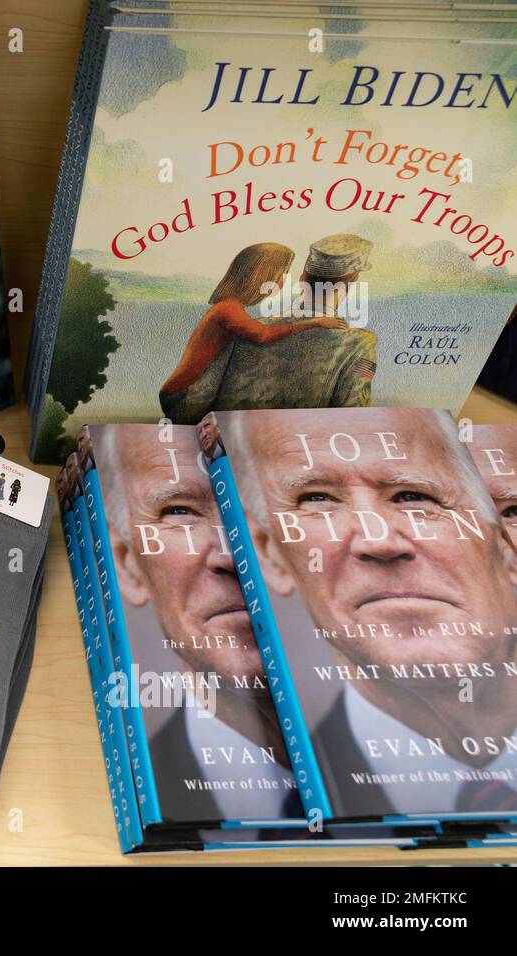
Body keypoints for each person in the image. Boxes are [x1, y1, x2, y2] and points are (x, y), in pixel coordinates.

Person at [225, 408, 517, 817]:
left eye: (413, 496)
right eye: (318, 499)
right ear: (269, 555)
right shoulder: (265, 807)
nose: (378, 540)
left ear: (503, 542)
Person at [96, 426, 296, 824]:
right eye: (179, 511)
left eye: (251, 507)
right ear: (126, 566)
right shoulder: (125, 800)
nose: (232, 553)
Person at [159, 242, 346, 424]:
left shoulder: (230, 307)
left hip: (190, 391)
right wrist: (316, 321)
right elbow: (263, 335)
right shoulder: (227, 309)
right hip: (183, 396)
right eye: (283, 273)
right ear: (263, 275)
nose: (285, 280)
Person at [210, 235, 378, 417]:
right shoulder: (361, 345)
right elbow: (355, 414)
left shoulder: (244, 329)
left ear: (302, 279)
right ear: (351, 283)